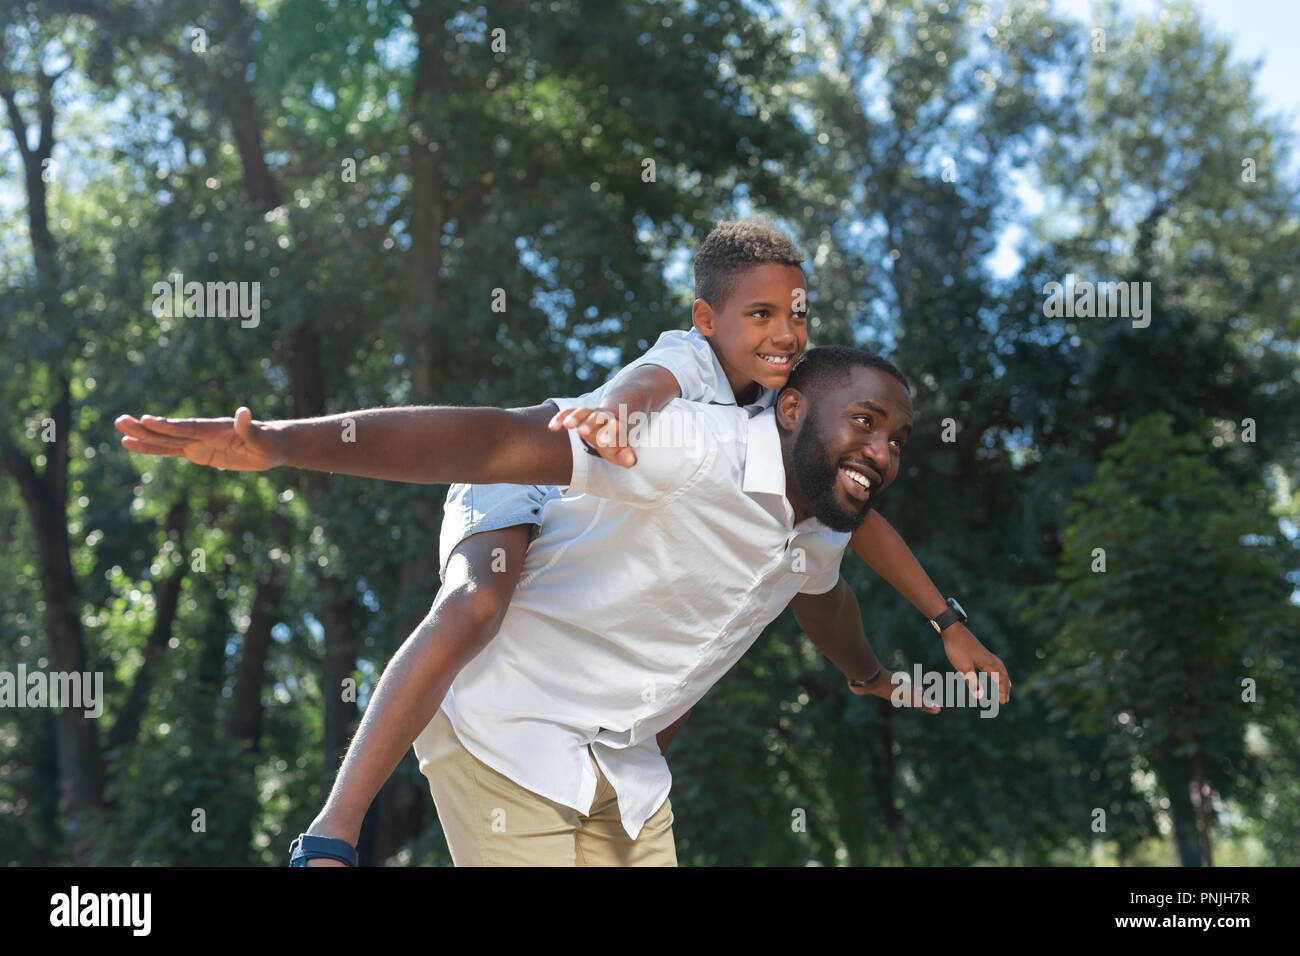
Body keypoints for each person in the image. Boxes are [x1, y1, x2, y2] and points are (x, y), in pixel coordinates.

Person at [116, 344, 1012, 865]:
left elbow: (832, 587)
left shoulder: (818, 519)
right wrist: (279, 442)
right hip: (507, 646)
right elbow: (492, 438)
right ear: (790, 408)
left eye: (896, 439)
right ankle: (331, 832)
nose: (885, 450)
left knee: (682, 676)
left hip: (620, 770)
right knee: (474, 605)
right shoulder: (688, 432)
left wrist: (899, 659)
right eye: (865, 424)